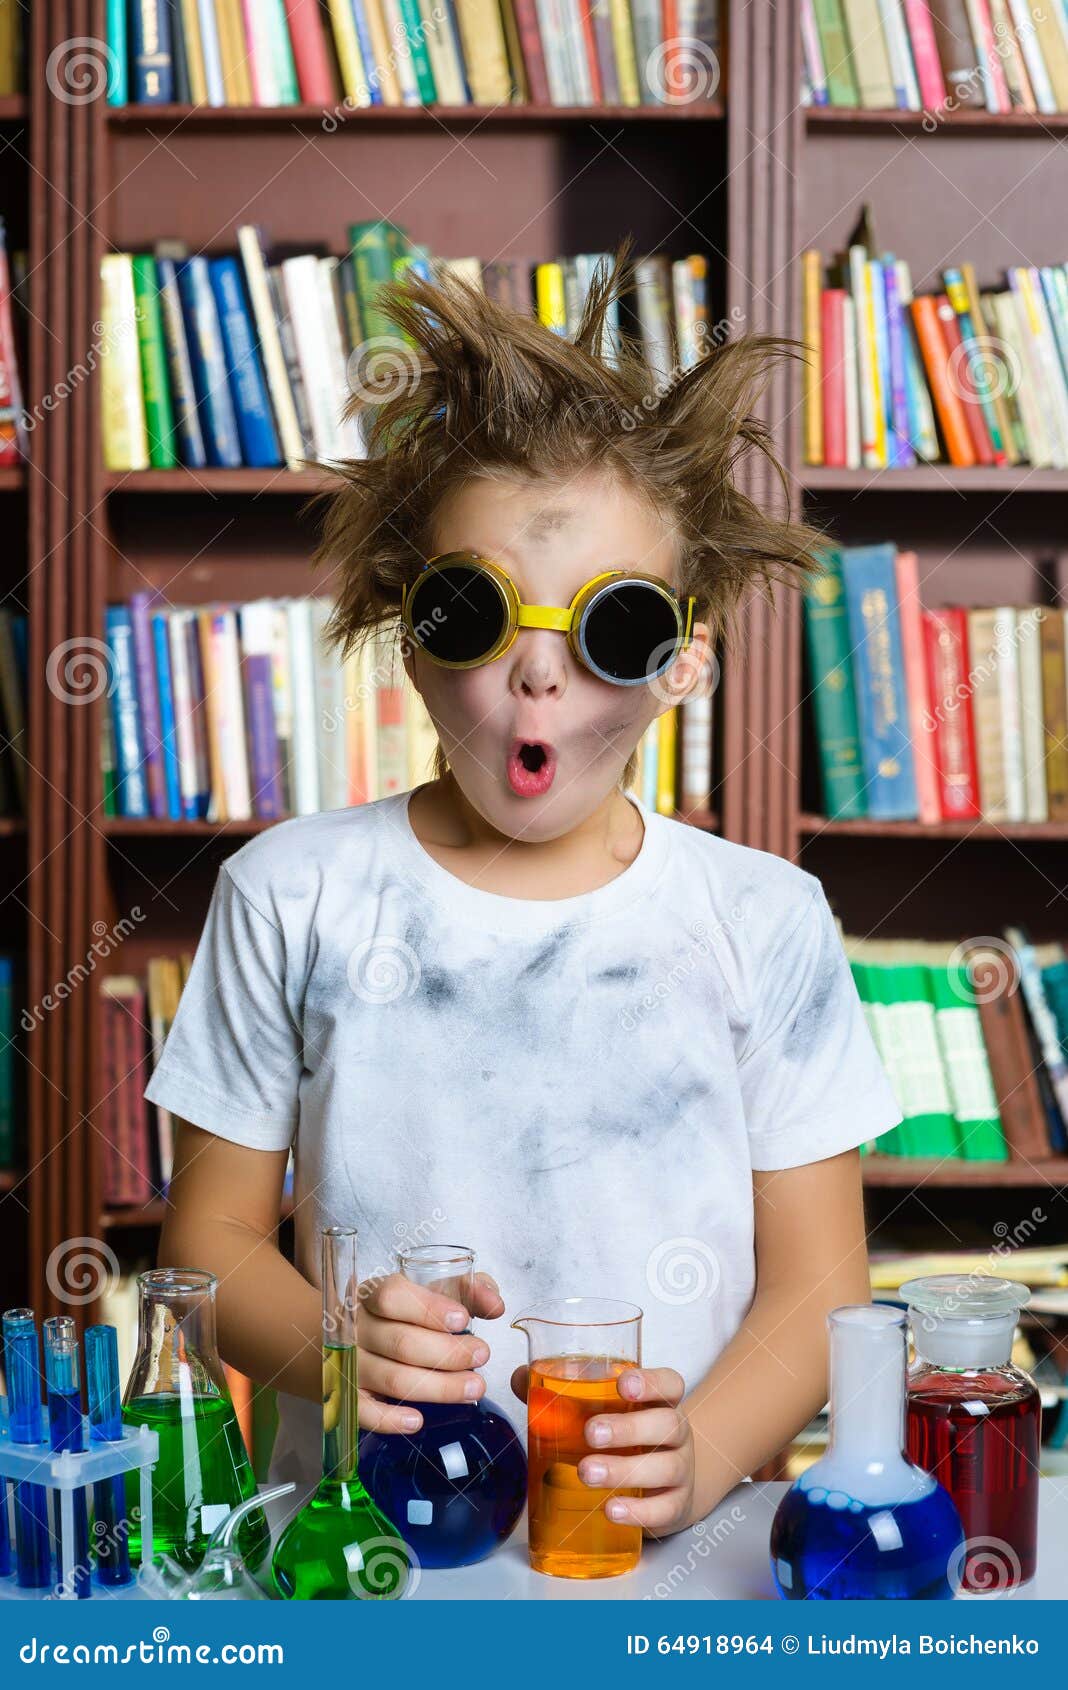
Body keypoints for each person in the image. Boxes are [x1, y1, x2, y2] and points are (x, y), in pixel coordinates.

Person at [147, 249, 902, 1539]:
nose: (538, 680)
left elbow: (823, 1279)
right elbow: (206, 1244)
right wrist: (338, 1345)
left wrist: (704, 1451)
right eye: (473, 615)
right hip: (367, 1547)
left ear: (682, 662)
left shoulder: (764, 917)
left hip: (656, 1552)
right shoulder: (290, 893)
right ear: (406, 635)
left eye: (607, 629)